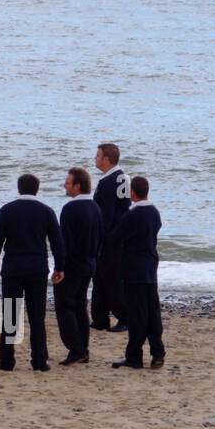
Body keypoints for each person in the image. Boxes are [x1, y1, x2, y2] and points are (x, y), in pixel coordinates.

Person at [0, 174, 65, 371]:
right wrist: (60, 268)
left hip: (13, 268)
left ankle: (7, 362)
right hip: (37, 269)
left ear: (19, 188)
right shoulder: (46, 212)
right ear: (37, 189)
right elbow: (57, 243)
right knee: (37, 317)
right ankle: (39, 361)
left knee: (10, 315)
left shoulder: (6, 210)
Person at [105, 176, 165, 369]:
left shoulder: (132, 215)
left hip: (133, 269)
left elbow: (115, 238)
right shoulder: (154, 213)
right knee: (153, 312)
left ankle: (134, 356)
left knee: (137, 314)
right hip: (150, 266)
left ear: (132, 193)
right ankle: (158, 353)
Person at [54, 167, 101, 365]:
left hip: (73, 265)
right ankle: (83, 348)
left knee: (65, 306)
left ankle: (76, 349)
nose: (64, 186)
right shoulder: (96, 208)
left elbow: (65, 242)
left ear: (77, 186)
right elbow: (100, 238)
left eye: (67, 182)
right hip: (89, 263)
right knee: (81, 306)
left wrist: (59, 268)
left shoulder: (70, 209)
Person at [91, 143, 130, 333]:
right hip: (119, 234)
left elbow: (105, 214)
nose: (95, 159)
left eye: (97, 156)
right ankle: (99, 317)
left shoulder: (108, 182)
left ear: (106, 159)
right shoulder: (122, 177)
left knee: (112, 278)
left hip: (110, 238)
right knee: (100, 277)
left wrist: (100, 238)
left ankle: (123, 317)